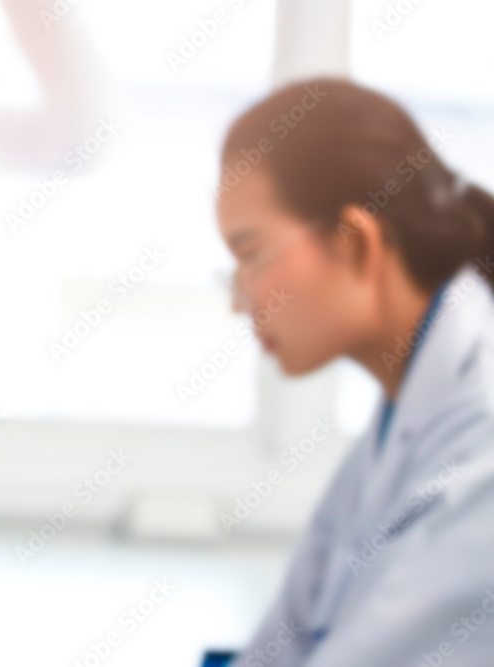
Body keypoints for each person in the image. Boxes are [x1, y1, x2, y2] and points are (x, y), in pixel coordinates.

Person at [216, 78, 494, 666]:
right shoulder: (410, 402)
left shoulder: (480, 443)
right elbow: (288, 638)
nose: (240, 300)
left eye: (253, 255)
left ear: (354, 241)